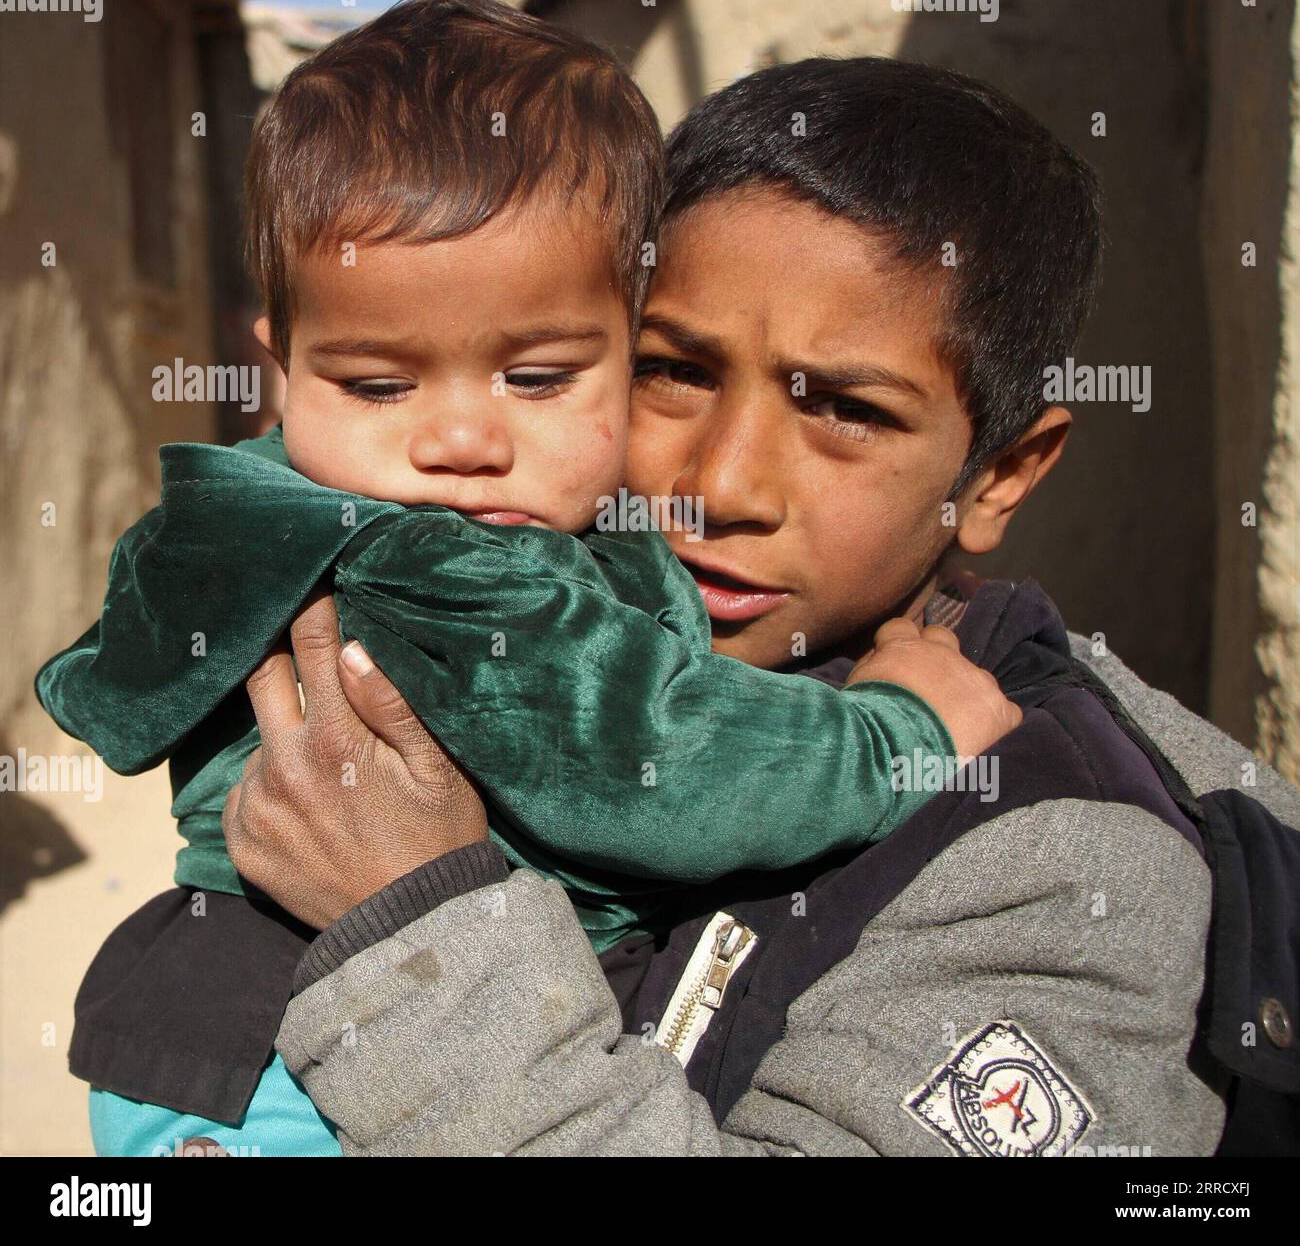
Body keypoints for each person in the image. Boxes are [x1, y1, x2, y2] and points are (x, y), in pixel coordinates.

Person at [233, 57, 1300, 1157]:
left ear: (999, 477)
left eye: (844, 409)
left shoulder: (1058, 861)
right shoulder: (532, 626)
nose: (725, 485)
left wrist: (413, 925)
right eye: (672, 371)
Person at [42, 0, 1014, 1157]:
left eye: (539, 380)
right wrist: (895, 732)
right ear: (281, 371)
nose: (462, 441)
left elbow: (103, 682)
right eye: (380, 386)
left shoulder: (243, 514)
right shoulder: (441, 565)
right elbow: (662, 759)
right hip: (304, 1069)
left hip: (211, 1022)